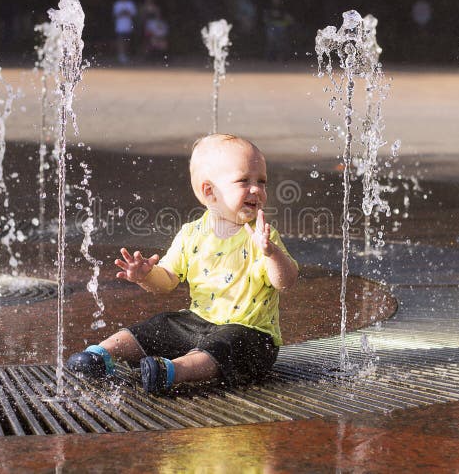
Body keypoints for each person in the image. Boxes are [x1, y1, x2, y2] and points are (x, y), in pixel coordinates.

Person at [67, 134, 299, 393]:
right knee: (162, 324)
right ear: (209, 191)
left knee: (228, 344)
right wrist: (146, 275)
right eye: (244, 181)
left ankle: (175, 370)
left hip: (252, 334)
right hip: (199, 322)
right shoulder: (192, 233)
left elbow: (285, 281)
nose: (257, 190)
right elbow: (166, 280)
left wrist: (271, 253)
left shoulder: (261, 235)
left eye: (262, 182)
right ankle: (102, 353)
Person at [112, 0, 137, 64]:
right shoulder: (117, 4)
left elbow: (133, 14)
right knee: (120, 41)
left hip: (128, 26)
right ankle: (121, 55)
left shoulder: (130, 4)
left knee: (127, 41)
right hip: (120, 26)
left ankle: (125, 55)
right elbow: (115, 14)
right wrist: (123, 12)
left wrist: (125, 12)